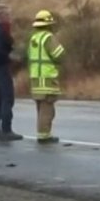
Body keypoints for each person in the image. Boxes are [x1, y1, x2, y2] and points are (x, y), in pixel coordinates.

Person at [26, 9, 66, 144]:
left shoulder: (33, 38)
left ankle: (43, 133)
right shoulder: (48, 37)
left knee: (40, 108)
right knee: (47, 109)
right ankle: (44, 135)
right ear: (49, 24)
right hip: (47, 79)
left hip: (35, 79)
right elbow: (59, 55)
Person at [0, 5, 23, 141]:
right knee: (7, 97)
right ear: (0, 16)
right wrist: (9, 57)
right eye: (7, 16)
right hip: (0, 66)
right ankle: (6, 129)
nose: (9, 19)